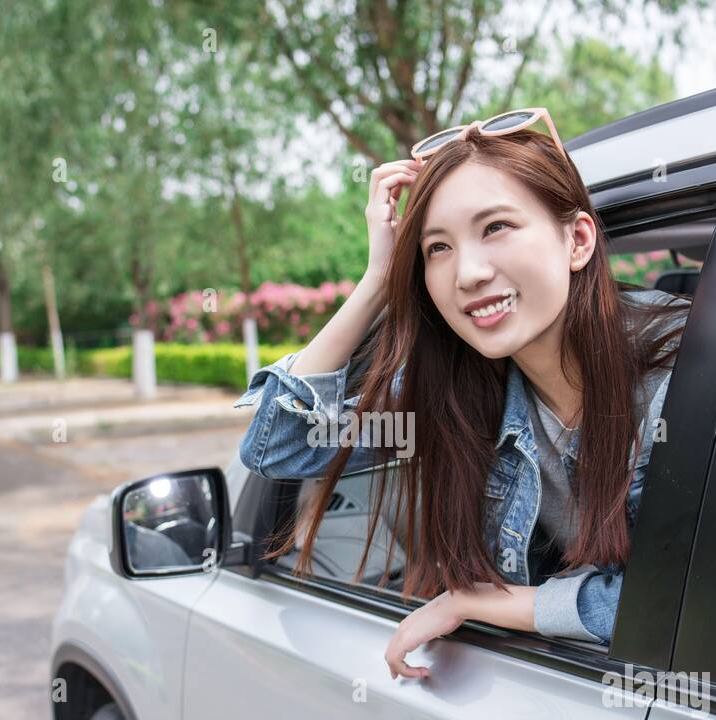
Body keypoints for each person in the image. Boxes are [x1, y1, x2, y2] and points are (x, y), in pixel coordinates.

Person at [233, 109, 688, 680]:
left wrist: (478, 602)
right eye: (437, 249)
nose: (468, 273)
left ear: (577, 240)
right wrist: (378, 277)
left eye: (495, 227)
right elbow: (279, 446)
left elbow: (684, 604)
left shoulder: (681, 374)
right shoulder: (464, 394)